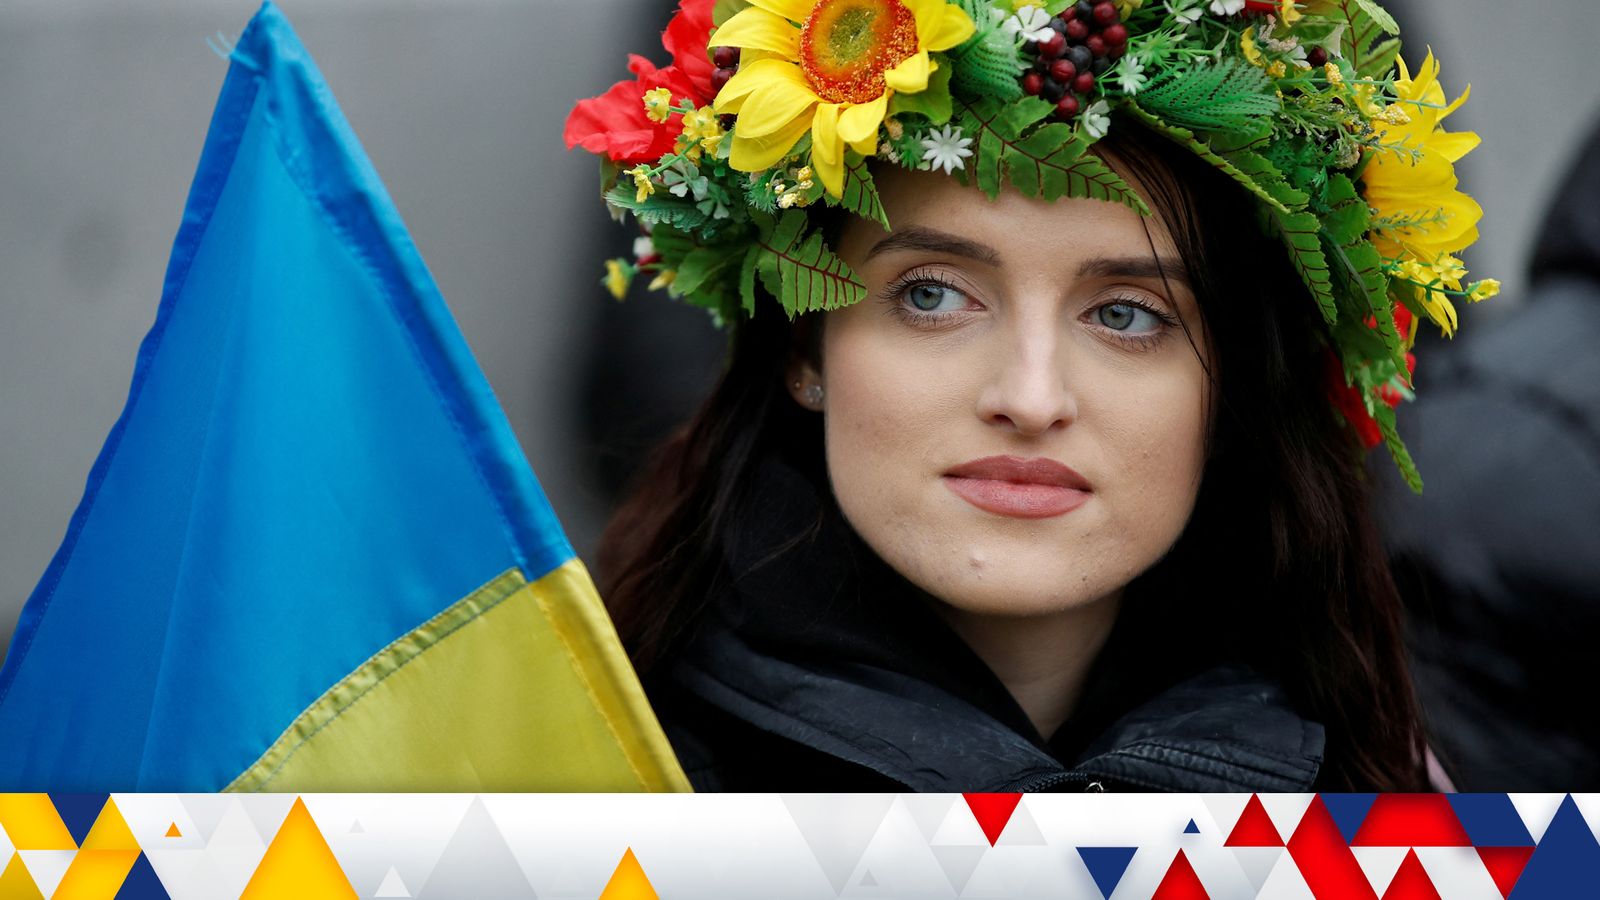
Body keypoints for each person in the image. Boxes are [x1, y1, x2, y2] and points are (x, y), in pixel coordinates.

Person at [565, 0, 1496, 791]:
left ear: (1238, 388)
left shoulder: (1425, 827)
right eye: (933, 296)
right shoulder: (573, 809)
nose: (1031, 396)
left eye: (1127, 315)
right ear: (805, 345)